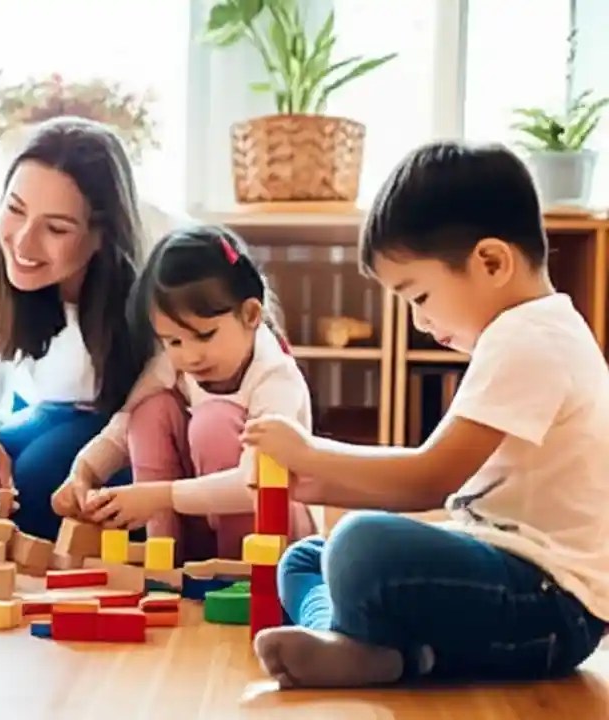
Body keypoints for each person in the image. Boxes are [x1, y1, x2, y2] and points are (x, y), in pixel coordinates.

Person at [242, 141, 609, 689]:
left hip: (553, 605)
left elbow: (432, 477)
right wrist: (314, 484)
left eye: (419, 295)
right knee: (305, 558)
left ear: (491, 262)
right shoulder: (529, 333)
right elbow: (435, 486)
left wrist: (314, 452)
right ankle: (362, 648)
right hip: (511, 582)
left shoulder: (529, 338)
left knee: (359, 546)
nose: (417, 322)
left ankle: (370, 645)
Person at [0, 116, 154, 541]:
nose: (23, 243)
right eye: (15, 209)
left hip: (135, 427)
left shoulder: (161, 256)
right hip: (51, 412)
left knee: (37, 484)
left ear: (103, 234)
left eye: (57, 228)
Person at [54, 226, 317, 563]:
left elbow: (252, 484)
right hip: (204, 517)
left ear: (251, 315)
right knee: (149, 410)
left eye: (204, 336)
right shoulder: (174, 364)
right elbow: (123, 425)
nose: (190, 356)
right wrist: (83, 473)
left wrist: (157, 497)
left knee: (213, 422)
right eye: (173, 341)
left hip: (275, 534)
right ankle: (165, 558)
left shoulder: (275, 378)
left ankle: (239, 571)